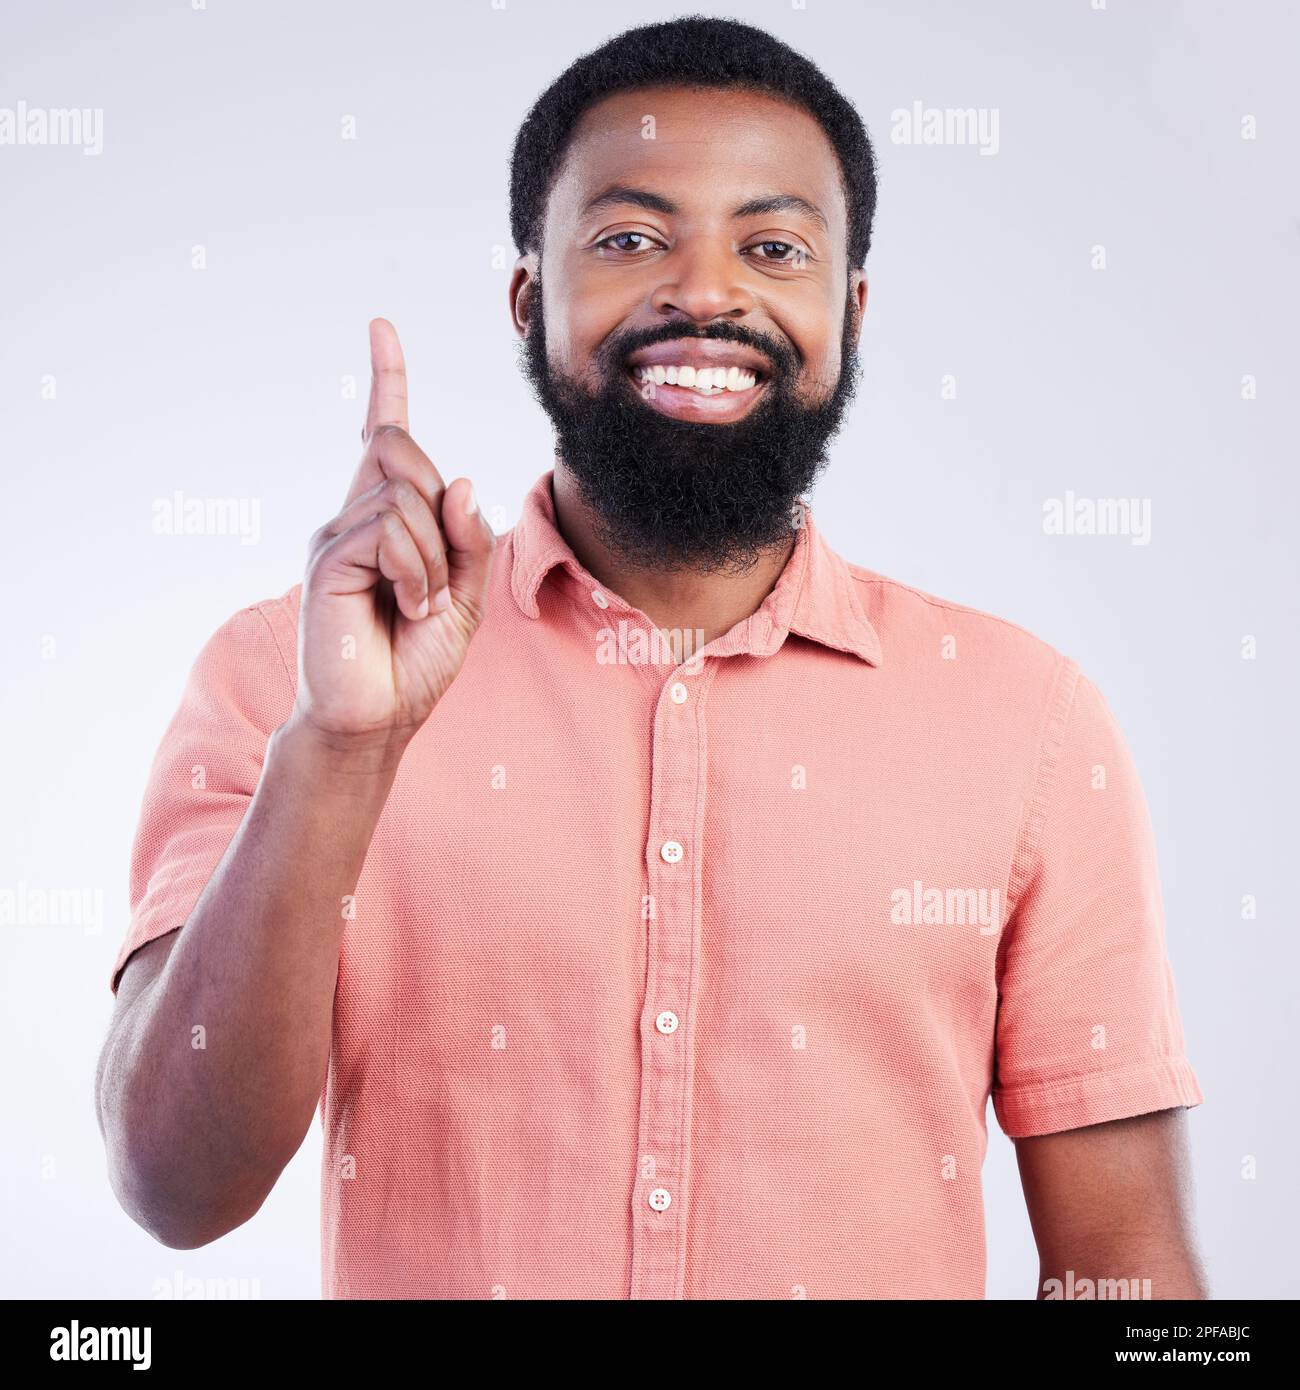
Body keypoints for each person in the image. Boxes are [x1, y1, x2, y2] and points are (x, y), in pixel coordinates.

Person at [97, 16, 1206, 1299]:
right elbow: (171, 1187)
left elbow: (1124, 1267)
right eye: (629, 239)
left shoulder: (1032, 722)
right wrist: (338, 753)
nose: (707, 291)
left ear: (847, 309)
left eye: (773, 246)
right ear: (530, 298)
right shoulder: (289, 677)